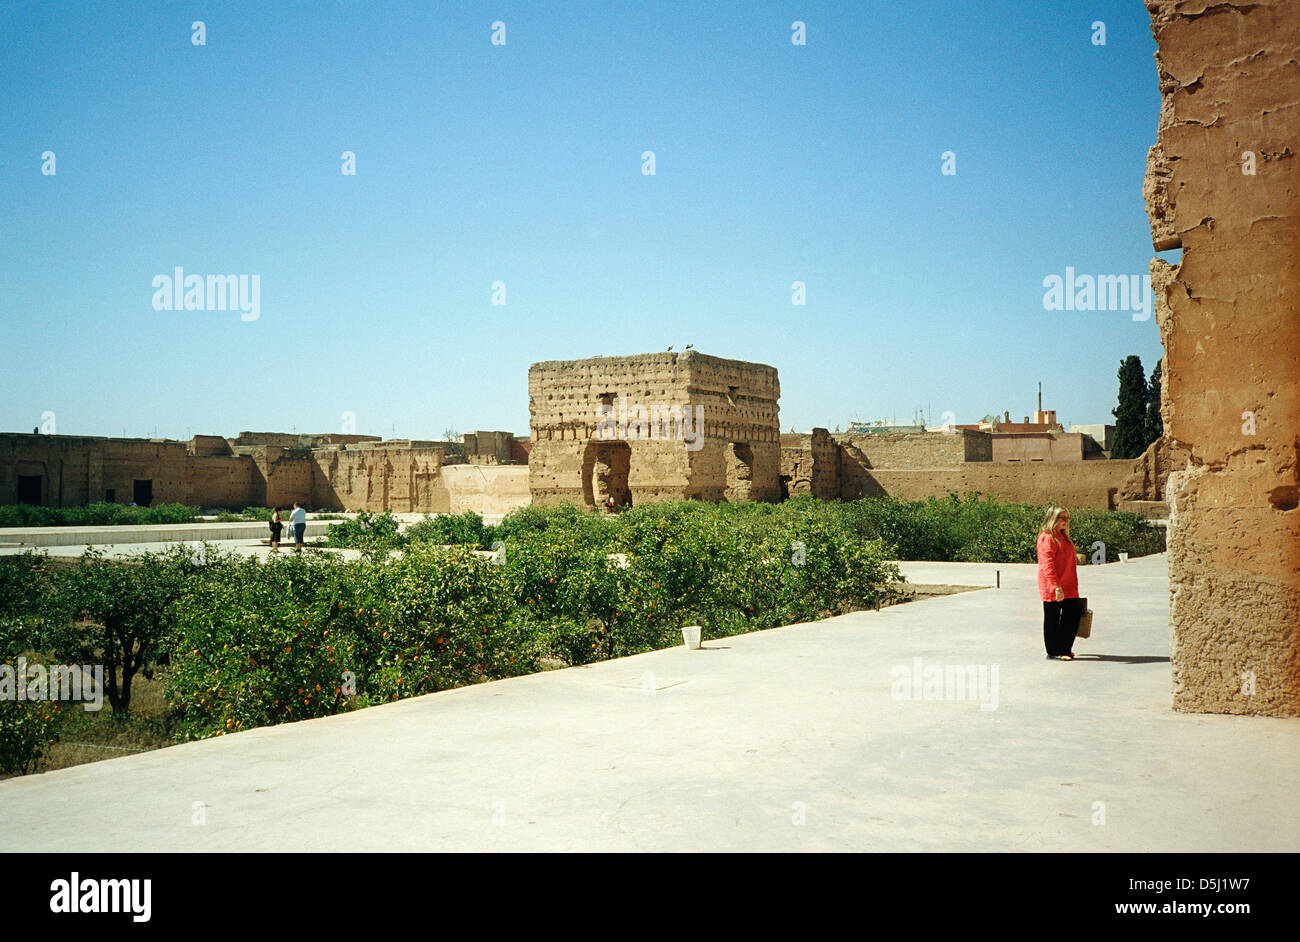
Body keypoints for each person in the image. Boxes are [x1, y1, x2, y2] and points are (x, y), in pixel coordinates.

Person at [1037, 505, 1081, 660]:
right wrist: (1056, 586)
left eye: (1067, 518)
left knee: (1073, 615)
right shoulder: (1047, 538)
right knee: (1052, 618)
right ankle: (1054, 651)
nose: (1066, 521)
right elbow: (1047, 564)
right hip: (1054, 586)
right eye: (1062, 518)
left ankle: (1064, 648)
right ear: (1053, 519)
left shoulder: (1063, 537)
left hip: (1069, 584)